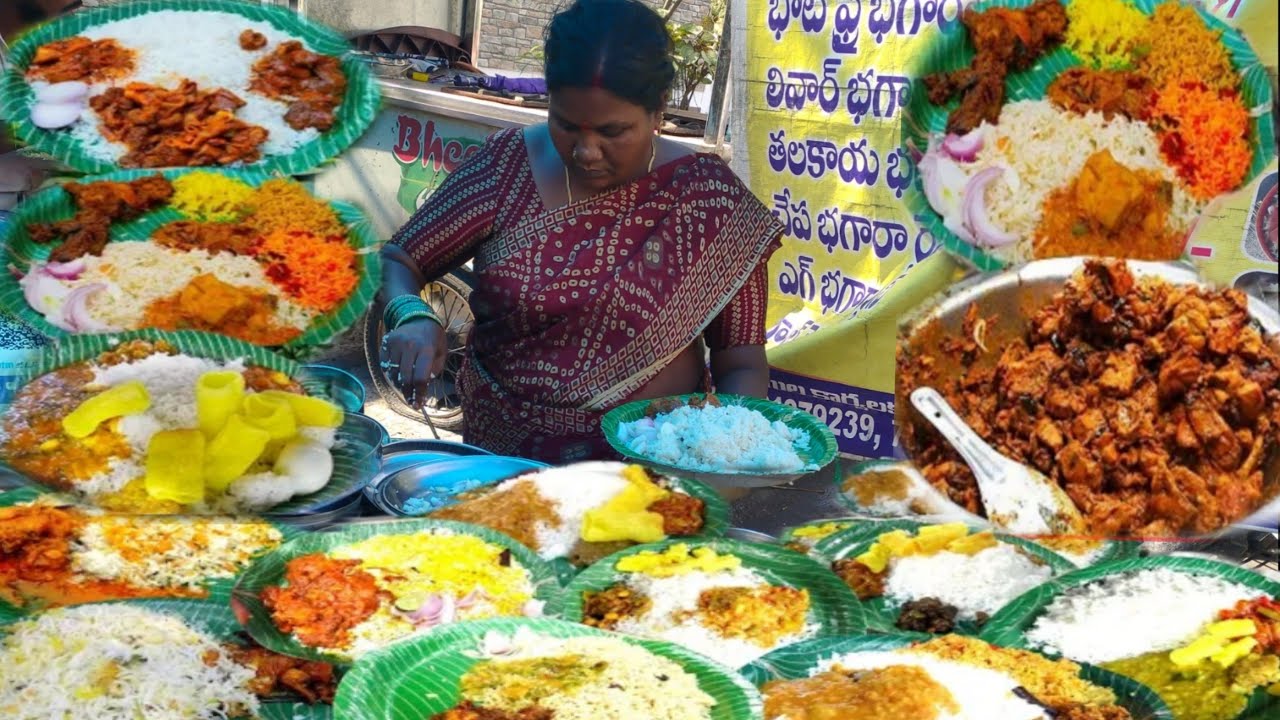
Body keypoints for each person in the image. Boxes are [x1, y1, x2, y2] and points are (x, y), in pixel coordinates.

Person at [379, 0, 783, 463]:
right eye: (567, 125)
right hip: (500, 464)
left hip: (651, 472)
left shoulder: (711, 202)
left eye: (614, 131)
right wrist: (411, 314)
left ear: (658, 112)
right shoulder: (507, 167)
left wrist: (727, 456)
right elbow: (400, 258)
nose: (587, 152)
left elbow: (742, 360)